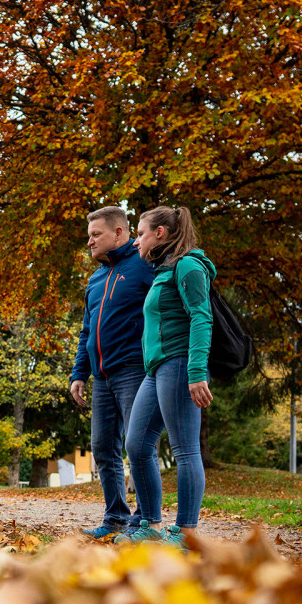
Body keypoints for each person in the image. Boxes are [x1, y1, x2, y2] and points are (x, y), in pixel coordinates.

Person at [116, 206, 216, 550]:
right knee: (137, 443)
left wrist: (197, 371)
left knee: (185, 450)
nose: (136, 241)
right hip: (156, 368)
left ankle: (186, 534)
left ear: (161, 233)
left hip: (179, 362)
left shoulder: (188, 265)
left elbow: (202, 317)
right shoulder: (164, 270)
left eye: (140, 233)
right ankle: (152, 524)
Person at [69, 206, 156, 542]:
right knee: (103, 448)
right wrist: (80, 372)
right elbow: (87, 330)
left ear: (119, 233)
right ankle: (115, 517)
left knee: (138, 446)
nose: (89, 242)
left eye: (96, 235)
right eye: (88, 236)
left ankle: (145, 521)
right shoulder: (96, 278)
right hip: (102, 378)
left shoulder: (144, 266)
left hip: (134, 370)